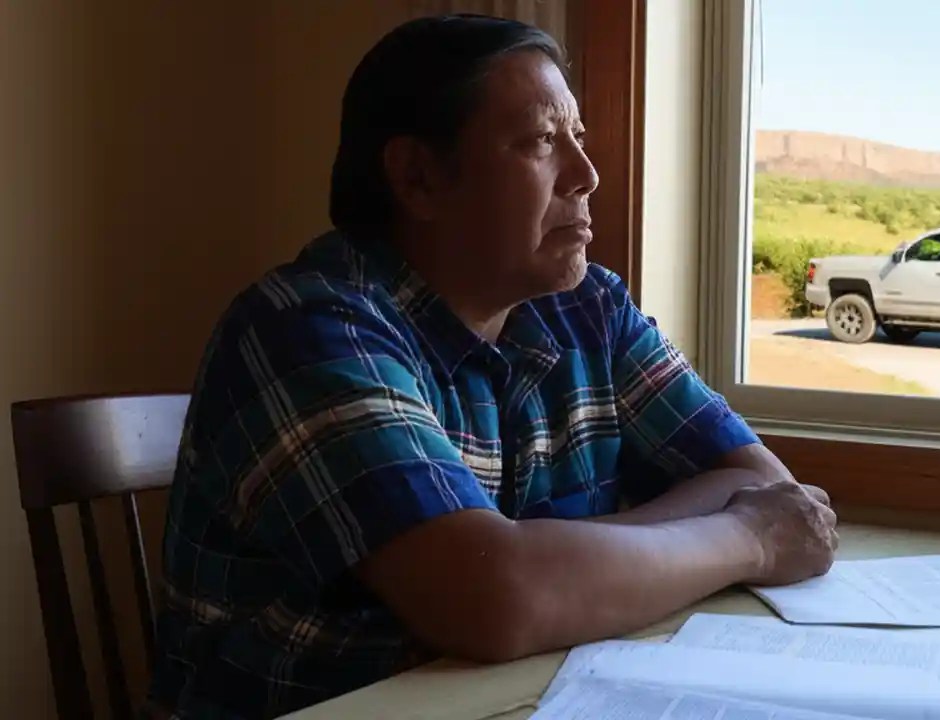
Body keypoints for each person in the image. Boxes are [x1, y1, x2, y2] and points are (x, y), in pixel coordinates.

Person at [145, 13, 837, 719]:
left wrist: (545, 564)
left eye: (579, 138)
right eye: (541, 141)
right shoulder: (306, 328)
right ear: (417, 178)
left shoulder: (585, 307)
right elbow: (496, 601)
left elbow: (756, 481)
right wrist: (745, 540)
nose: (587, 174)